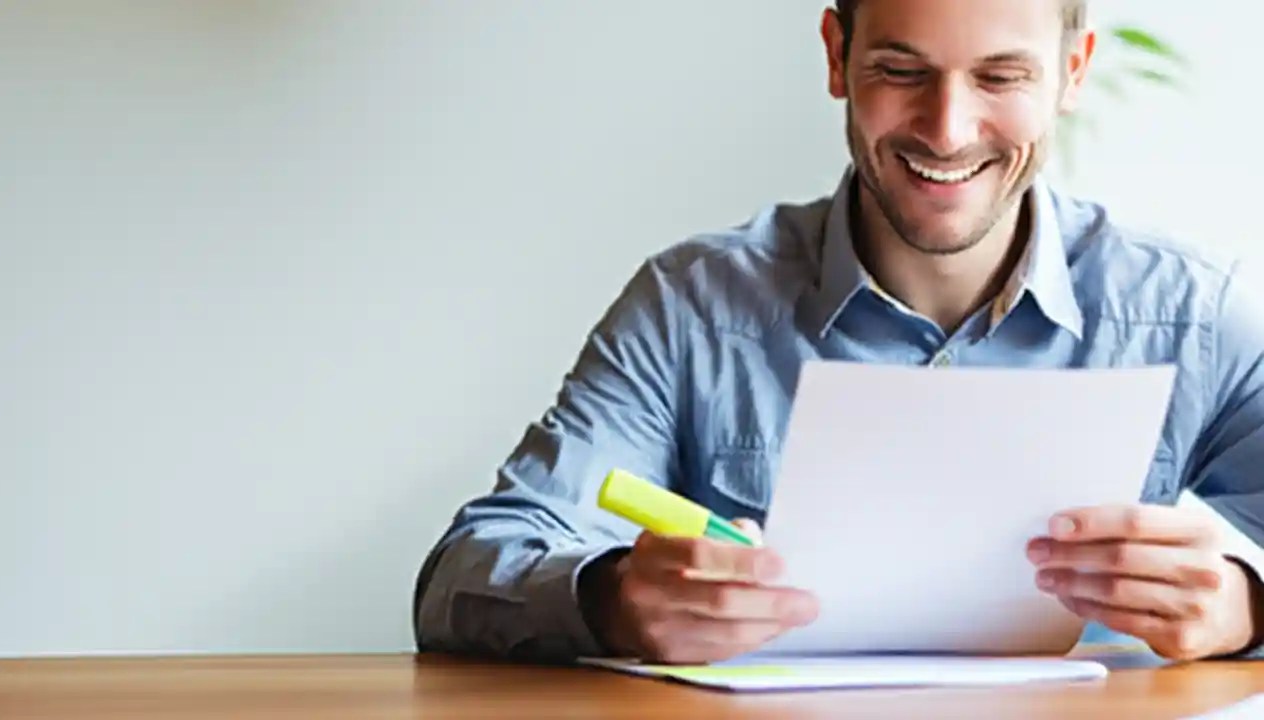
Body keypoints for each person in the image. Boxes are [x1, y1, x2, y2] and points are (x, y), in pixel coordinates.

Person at [414, 0, 1264, 664]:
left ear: (1072, 72)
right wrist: (614, 601)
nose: (947, 129)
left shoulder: (1189, 312)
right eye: (900, 70)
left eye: (1001, 76)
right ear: (835, 56)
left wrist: (1243, 607)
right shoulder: (693, 307)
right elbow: (465, 573)